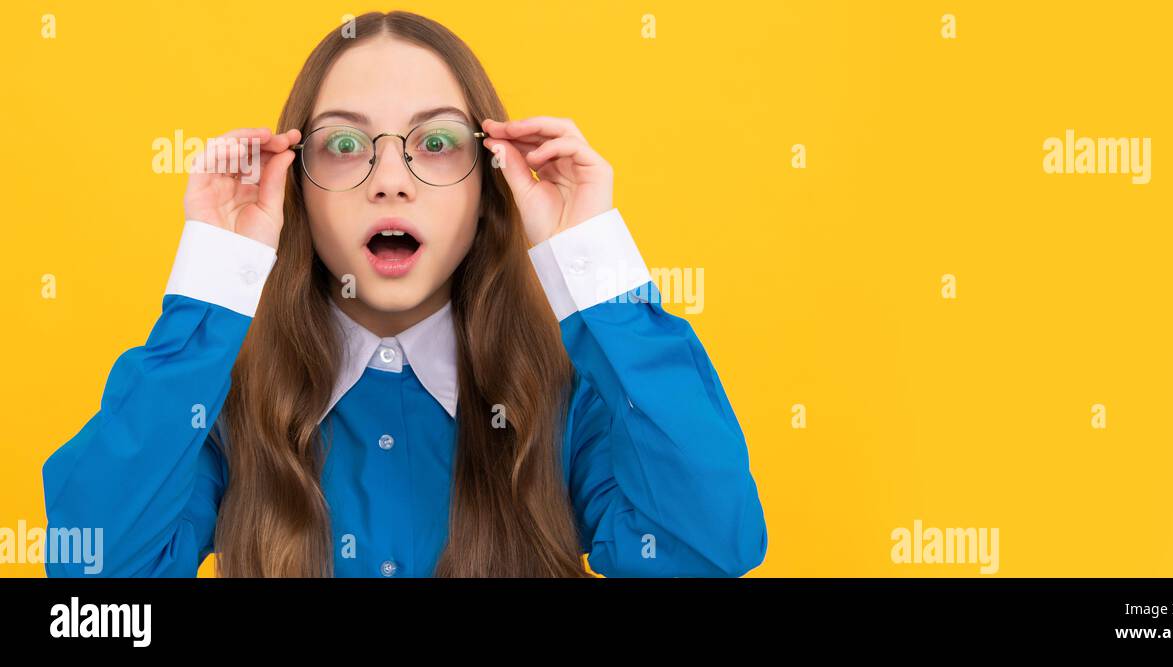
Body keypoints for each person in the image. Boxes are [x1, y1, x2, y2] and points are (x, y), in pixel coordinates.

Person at [42, 10, 766, 578]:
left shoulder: (568, 401)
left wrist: (590, 256)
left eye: (437, 143)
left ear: (489, 190)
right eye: (347, 146)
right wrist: (213, 273)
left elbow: (705, 548)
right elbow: (96, 572)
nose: (391, 179)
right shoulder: (224, 403)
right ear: (294, 191)